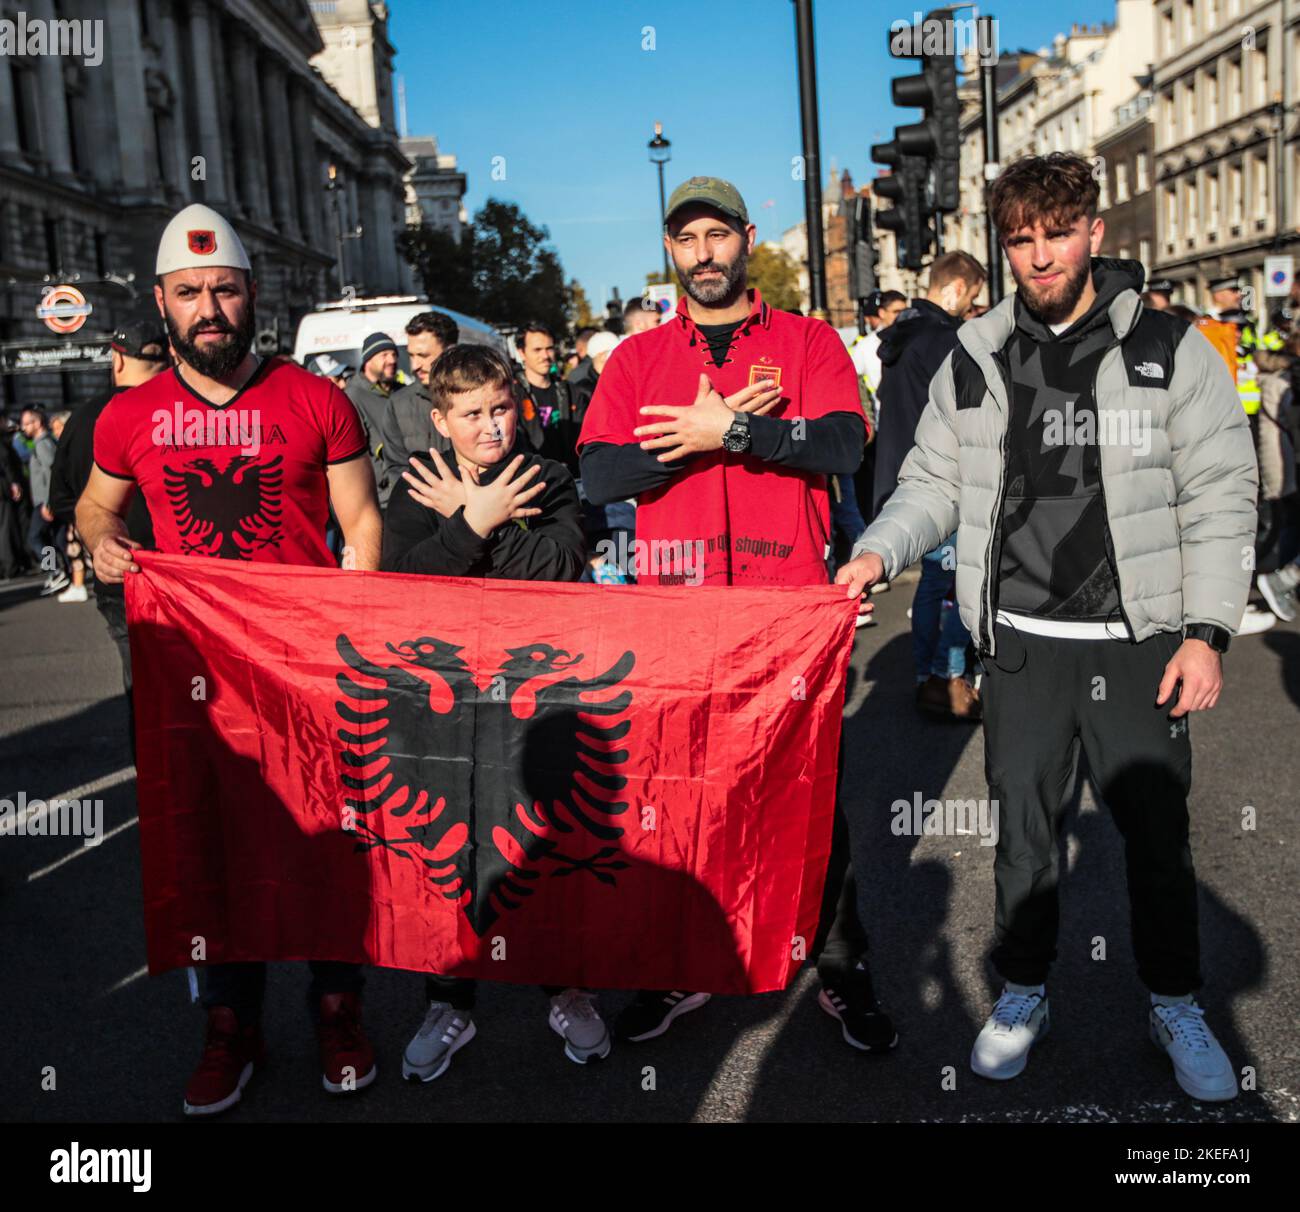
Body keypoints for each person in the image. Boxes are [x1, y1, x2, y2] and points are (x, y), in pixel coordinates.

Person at [837, 152, 1257, 1103]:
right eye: (1020, 238)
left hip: (1140, 641)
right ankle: (1024, 991)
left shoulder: (1169, 346)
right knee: (1024, 835)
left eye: (1056, 232)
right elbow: (932, 482)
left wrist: (1209, 631)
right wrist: (880, 550)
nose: (1039, 255)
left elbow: (1223, 491)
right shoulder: (975, 353)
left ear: (1095, 234)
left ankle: (1174, 1000)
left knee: (1155, 837)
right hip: (1022, 642)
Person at [75, 202, 384, 1117]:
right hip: (192, 678)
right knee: (209, 849)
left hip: (306, 670)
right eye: (190, 292)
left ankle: (338, 1009)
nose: (209, 306)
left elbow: (360, 522)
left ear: (252, 295)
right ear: (162, 303)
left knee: (330, 842)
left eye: (225, 289)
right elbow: (98, 508)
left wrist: (359, 604)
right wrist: (100, 539)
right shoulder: (127, 416)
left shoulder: (316, 400)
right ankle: (229, 1025)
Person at [578, 175, 895, 1053]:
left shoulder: (806, 341)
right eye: (687, 240)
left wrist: (745, 434)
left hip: (785, 611)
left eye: (718, 235)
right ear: (669, 251)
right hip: (677, 619)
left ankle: (839, 966)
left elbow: (843, 443)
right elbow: (600, 475)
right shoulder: (638, 359)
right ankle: (685, 965)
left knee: (808, 801)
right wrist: (691, 438)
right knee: (683, 801)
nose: (704, 253)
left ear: (746, 240)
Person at [380, 343, 598, 1076]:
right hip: (446, 700)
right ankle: (451, 1001)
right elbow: (404, 584)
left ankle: (564, 987)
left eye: (501, 408)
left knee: (543, 839)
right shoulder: (416, 486)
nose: (489, 426)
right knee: (452, 849)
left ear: (519, 404)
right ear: (441, 421)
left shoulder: (551, 477)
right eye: (470, 414)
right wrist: (467, 525)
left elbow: (562, 566)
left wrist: (491, 522)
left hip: (538, 696)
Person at [873, 253, 987, 721]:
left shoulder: (901, 337)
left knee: (934, 583)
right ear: (956, 288)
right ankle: (947, 677)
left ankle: (928, 677)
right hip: (944, 478)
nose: (972, 307)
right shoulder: (945, 339)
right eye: (973, 296)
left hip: (907, 478)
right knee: (962, 582)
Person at [49, 317, 169, 710]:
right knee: (200, 693)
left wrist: (97, 536)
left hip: (122, 575)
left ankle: (154, 769)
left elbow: (61, 499)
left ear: (116, 361)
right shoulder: (181, 413)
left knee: (148, 697)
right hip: (182, 571)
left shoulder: (84, 418)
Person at [378, 310, 458, 491]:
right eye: (411, 356)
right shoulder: (397, 404)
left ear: (450, 351)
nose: (415, 366)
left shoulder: (478, 396)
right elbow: (395, 468)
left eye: (423, 356)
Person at [514, 322, 578, 475]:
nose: (545, 356)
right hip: (535, 479)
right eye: (537, 350)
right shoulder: (511, 395)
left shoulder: (570, 391)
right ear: (521, 353)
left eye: (549, 349)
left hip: (573, 477)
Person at [346, 331, 400, 508]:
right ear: (368, 360)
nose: (392, 360)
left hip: (409, 491)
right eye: (384, 355)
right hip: (380, 499)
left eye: (394, 354)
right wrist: (383, 478)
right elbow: (355, 450)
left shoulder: (402, 392)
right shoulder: (353, 396)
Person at [20, 408, 65, 596]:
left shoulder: (42, 445)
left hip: (45, 502)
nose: (23, 428)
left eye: (26, 423)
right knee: (52, 538)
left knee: (35, 537)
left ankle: (55, 571)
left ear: (37, 423)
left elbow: (52, 471)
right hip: (44, 501)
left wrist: (48, 502)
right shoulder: (40, 444)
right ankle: (58, 572)